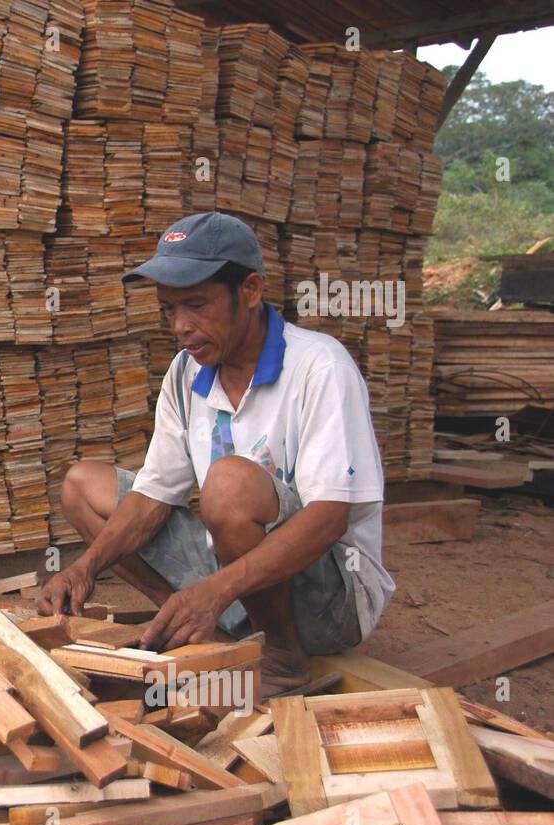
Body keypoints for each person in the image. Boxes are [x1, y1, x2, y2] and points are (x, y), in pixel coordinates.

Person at [37, 211, 393, 697]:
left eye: (197, 305)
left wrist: (217, 590)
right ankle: (211, 633)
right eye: (169, 310)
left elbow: (331, 516)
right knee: (82, 485)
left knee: (227, 483)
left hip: (330, 600)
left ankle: (282, 660)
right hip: (238, 584)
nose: (181, 327)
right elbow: (153, 496)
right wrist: (84, 567)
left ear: (249, 291)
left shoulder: (318, 367)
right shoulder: (186, 375)